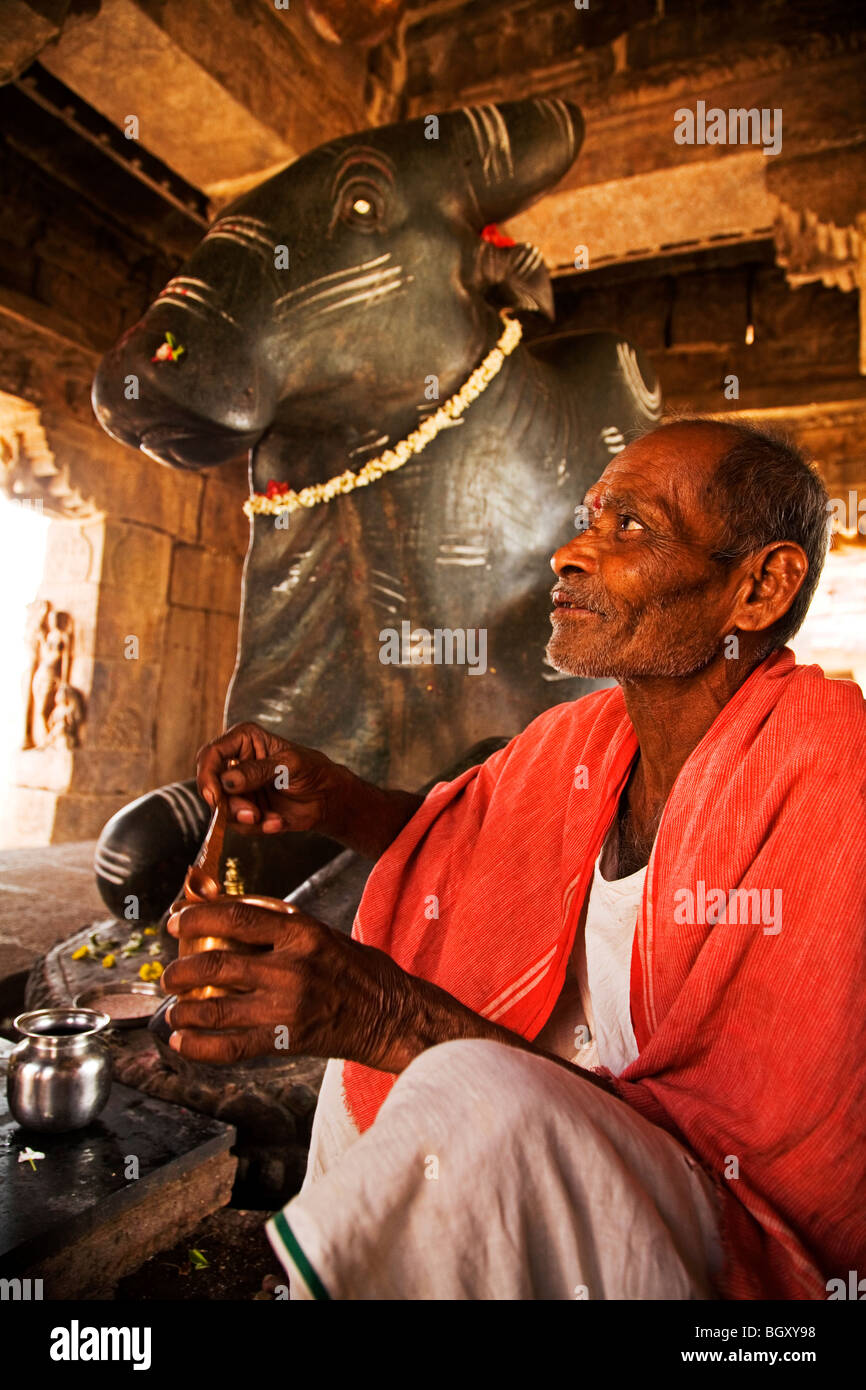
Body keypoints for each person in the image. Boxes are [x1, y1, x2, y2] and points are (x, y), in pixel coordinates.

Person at [162, 418, 866, 1300]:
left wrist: (387, 1015)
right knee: (391, 1053)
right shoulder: (585, 736)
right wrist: (339, 802)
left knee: (470, 1087)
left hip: (728, 1231)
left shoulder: (833, 767)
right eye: (590, 518)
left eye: (632, 527)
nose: (571, 552)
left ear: (759, 587)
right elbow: (479, 845)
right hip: (576, 1124)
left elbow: (769, 1144)